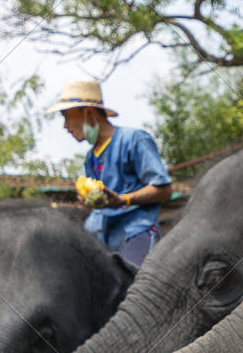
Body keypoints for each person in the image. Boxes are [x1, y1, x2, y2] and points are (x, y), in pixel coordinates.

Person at [49, 78, 173, 268]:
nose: (65, 126)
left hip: (135, 233)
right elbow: (104, 203)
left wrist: (124, 200)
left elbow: (163, 190)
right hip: (102, 239)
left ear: (88, 112)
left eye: (66, 116)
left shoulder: (134, 140)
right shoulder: (91, 157)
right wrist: (90, 202)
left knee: (130, 290)